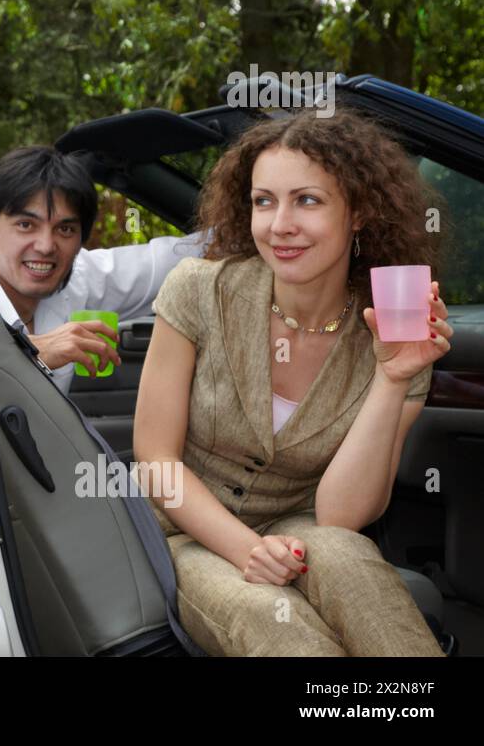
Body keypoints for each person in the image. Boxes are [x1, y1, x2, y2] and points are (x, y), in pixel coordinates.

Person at [133, 104, 450, 656]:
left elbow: (340, 517)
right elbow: (156, 460)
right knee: (279, 627)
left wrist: (394, 378)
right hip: (183, 529)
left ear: (359, 213)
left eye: (308, 200)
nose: (280, 225)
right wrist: (248, 549)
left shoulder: (396, 335)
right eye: (263, 201)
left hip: (305, 527)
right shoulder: (199, 291)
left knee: (357, 570)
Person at [0, 146, 207, 394]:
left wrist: (251, 224)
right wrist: (27, 353)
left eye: (65, 229)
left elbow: (169, 260)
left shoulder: (78, 278)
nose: (45, 246)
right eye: (25, 225)